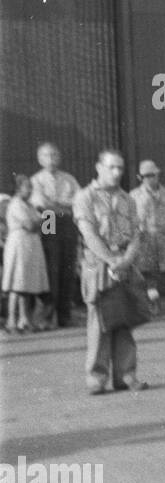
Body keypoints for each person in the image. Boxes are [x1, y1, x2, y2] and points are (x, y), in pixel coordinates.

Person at [74, 149, 148, 394]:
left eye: (120, 168)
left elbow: (137, 234)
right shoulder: (85, 197)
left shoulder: (128, 199)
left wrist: (126, 260)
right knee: (100, 322)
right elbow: (89, 235)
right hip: (98, 266)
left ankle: (126, 375)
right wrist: (111, 260)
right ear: (99, 167)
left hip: (124, 265)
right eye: (111, 167)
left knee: (124, 319)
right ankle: (97, 377)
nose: (116, 173)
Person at [29, 142, 81, 328]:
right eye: (46, 155)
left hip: (67, 222)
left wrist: (57, 203)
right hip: (48, 220)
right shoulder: (36, 180)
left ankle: (65, 315)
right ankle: (47, 317)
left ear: (59, 157)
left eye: (54, 155)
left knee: (68, 268)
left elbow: (78, 200)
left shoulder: (69, 179)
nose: (51, 159)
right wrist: (62, 204)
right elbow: (41, 204)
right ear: (39, 158)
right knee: (51, 269)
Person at [130, 160, 165, 315]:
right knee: (148, 271)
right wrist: (135, 232)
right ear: (140, 177)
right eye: (146, 176)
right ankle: (153, 303)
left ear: (158, 175)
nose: (150, 179)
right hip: (145, 236)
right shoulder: (134, 195)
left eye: (153, 175)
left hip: (163, 234)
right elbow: (128, 216)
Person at [4, 175, 50, 334]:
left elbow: (47, 228)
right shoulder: (16, 204)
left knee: (25, 284)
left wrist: (43, 218)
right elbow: (31, 225)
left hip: (30, 246)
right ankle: (11, 321)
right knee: (17, 285)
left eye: (31, 186)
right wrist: (41, 219)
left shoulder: (29, 205)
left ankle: (24, 320)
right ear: (18, 188)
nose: (30, 190)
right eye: (26, 187)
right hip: (19, 245)